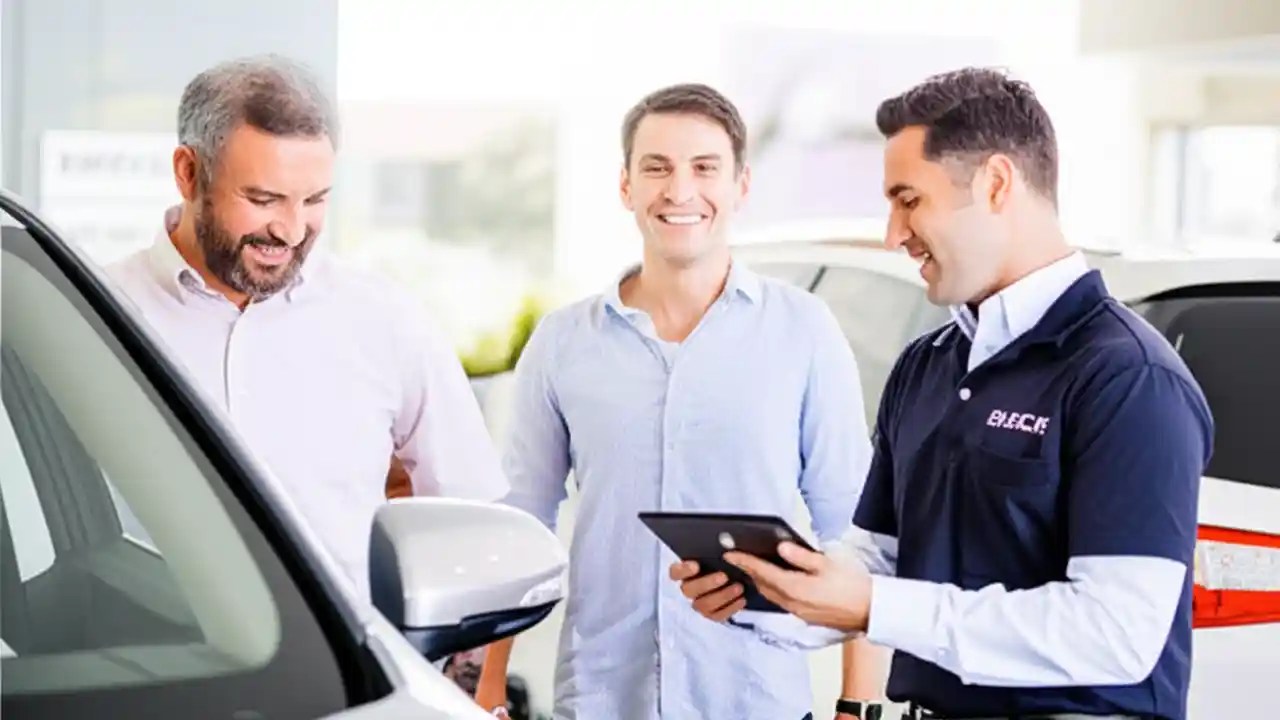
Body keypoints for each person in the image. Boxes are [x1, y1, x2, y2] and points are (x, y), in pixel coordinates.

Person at [674, 67, 1214, 720]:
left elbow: (1114, 633)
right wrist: (769, 593)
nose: (893, 234)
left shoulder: (1128, 378)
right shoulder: (926, 365)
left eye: (909, 199)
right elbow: (879, 558)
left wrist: (876, 605)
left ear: (994, 184)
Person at [474, 83, 889, 720]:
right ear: (626, 186)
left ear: (741, 186)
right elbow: (521, 526)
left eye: (704, 168)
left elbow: (854, 532)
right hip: (603, 701)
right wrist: (489, 690)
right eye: (657, 168)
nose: (679, 191)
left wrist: (856, 707)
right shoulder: (562, 343)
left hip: (757, 701)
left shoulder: (803, 330)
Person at [106, 55, 509, 598]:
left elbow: (473, 529)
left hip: (345, 682)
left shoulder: (386, 320)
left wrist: (460, 674)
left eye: (315, 200)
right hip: (140, 670)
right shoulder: (95, 314)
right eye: (262, 199)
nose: (291, 230)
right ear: (188, 172)